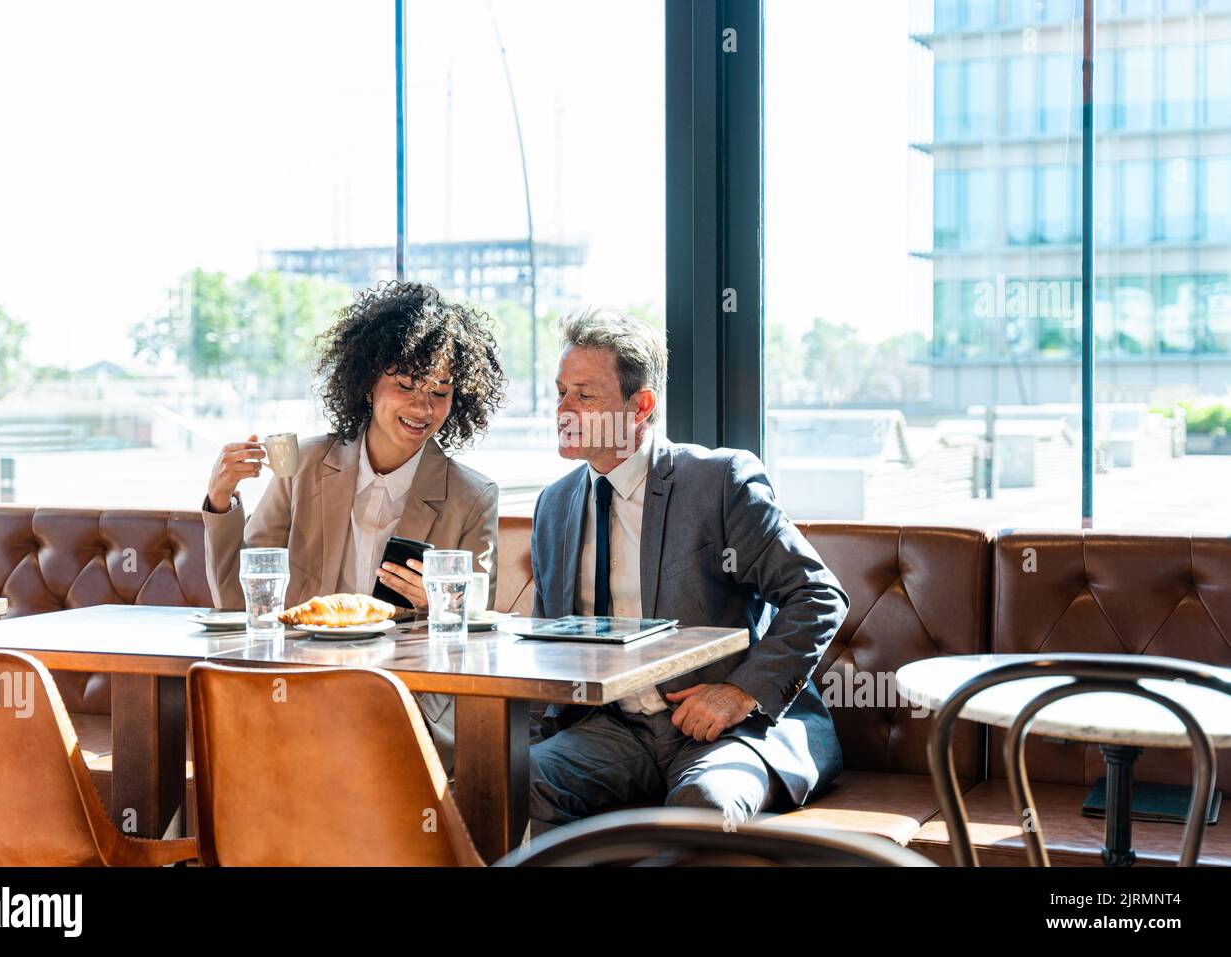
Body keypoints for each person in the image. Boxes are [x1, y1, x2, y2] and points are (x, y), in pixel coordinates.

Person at [529, 307, 849, 828]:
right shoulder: (554, 505)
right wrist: (525, 743)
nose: (563, 410)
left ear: (641, 406)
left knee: (705, 804)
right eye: (560, 392)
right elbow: (549, 644)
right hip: (611, 732)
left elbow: (817, 596)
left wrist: (741, 692)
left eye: (584, 396)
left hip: (730, 733)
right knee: (511, 781)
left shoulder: (719, 482)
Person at [202, 281, 507, 773]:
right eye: (405, 385)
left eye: (439, 393)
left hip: (405, 698)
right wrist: (221, 500)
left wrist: (443, 602)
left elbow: (478, 618)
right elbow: (240, 602)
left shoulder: (472, 496)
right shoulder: (302, 467)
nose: (422, 409)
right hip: (297, 686)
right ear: (367, 383)